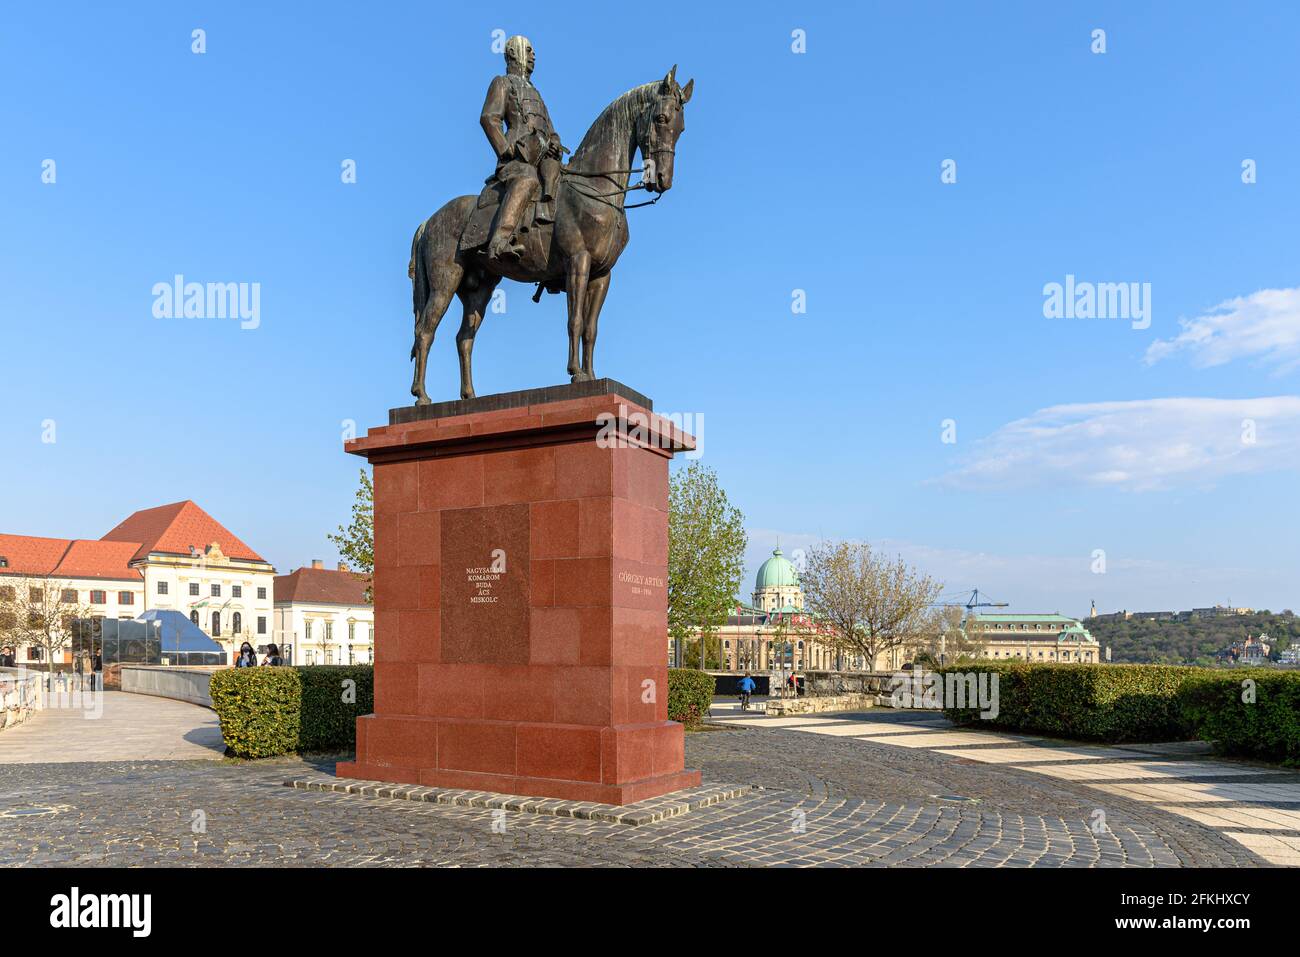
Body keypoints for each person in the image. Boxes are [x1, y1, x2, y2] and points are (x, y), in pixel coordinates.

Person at [479, 34, 565, 261]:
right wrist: (506, 150)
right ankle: (500, 240)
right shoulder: (502, 82)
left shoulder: (536, 92)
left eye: (532, 51)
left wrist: (555, 142)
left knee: (565, 183)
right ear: (513, 53)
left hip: (542, 155)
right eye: (527, 50)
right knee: (527, 179)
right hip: (516, 160)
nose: (533, 55)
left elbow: (550, 128)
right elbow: (489, 118)